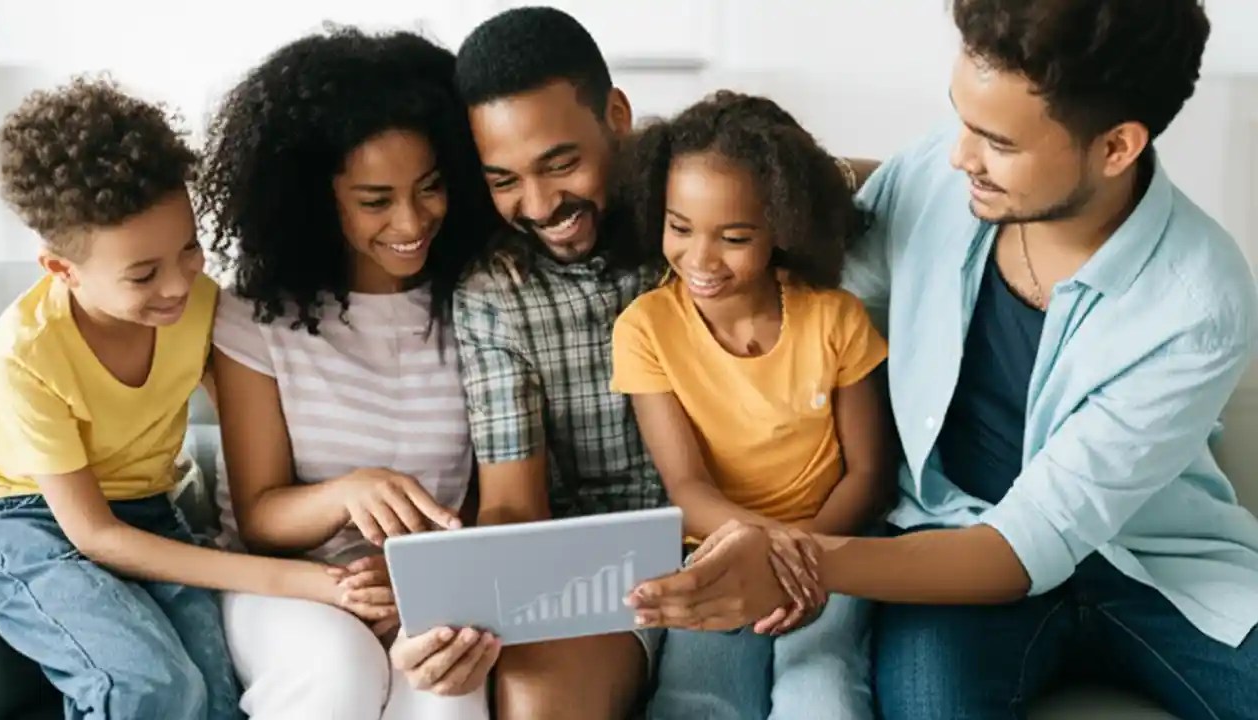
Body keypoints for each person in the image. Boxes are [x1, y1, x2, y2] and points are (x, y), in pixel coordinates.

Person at [626, 2, 1258, 719]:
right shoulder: (942, 176)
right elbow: (814, 226)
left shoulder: (1199, 299)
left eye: (997, 141)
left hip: (1157, 567)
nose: (960, 154)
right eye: (961, 119)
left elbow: (1027, 544)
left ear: (1116, 148)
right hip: (943, 545)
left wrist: (793, 561)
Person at [0, 77, 367, 720]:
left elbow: (262, 422)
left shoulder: (200, 305)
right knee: (151, 686)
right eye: (142, 273)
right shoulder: (25, 355)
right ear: (62, 271)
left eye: (188, 248)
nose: (178, 282)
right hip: (31, 524)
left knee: (215, 697)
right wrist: (300, 581)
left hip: (150, 509)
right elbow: (95, 534)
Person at [197, 28, 501, 720]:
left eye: (430, 188)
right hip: (289, 587)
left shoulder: (479, 304)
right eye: (374, 200)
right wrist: (351, 493)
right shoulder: (253, 317)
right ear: (315, 198)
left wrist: (424, 583)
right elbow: (260, 516)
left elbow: (491, 499)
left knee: (448, 695)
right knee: (338, 670)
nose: (411, 220)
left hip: (425, 587)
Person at [610, 90, 894, 719]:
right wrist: (770, 554)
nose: (701, 260)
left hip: (834, 546)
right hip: (709, 548)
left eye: (734, 237)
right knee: (697, 698)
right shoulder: (645, 328)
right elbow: (685, 486)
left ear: (782, 229)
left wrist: (802, 560)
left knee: (823, 693)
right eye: (679, 228)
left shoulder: (834, 319)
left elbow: (869, 475)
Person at [448, 7, 666, 719]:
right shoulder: (492, 296)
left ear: (617, 115)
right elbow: (513, 502)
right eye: (503, 179)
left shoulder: (700, 216)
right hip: (597, 584)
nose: (539, 205)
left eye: (561, 164)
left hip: (738, 543)